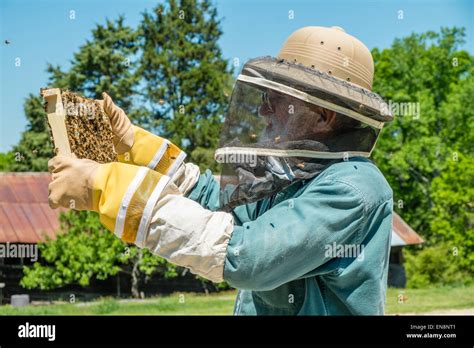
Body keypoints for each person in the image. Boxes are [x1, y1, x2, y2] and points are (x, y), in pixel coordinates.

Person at [48, 26, 394, 315]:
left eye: (278, 98)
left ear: (324, 116)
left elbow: (248, 257)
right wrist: (137, 146)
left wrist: (106, 185)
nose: (263, 111)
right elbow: (221, 205)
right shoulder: (294, 173)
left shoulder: (353, 187)